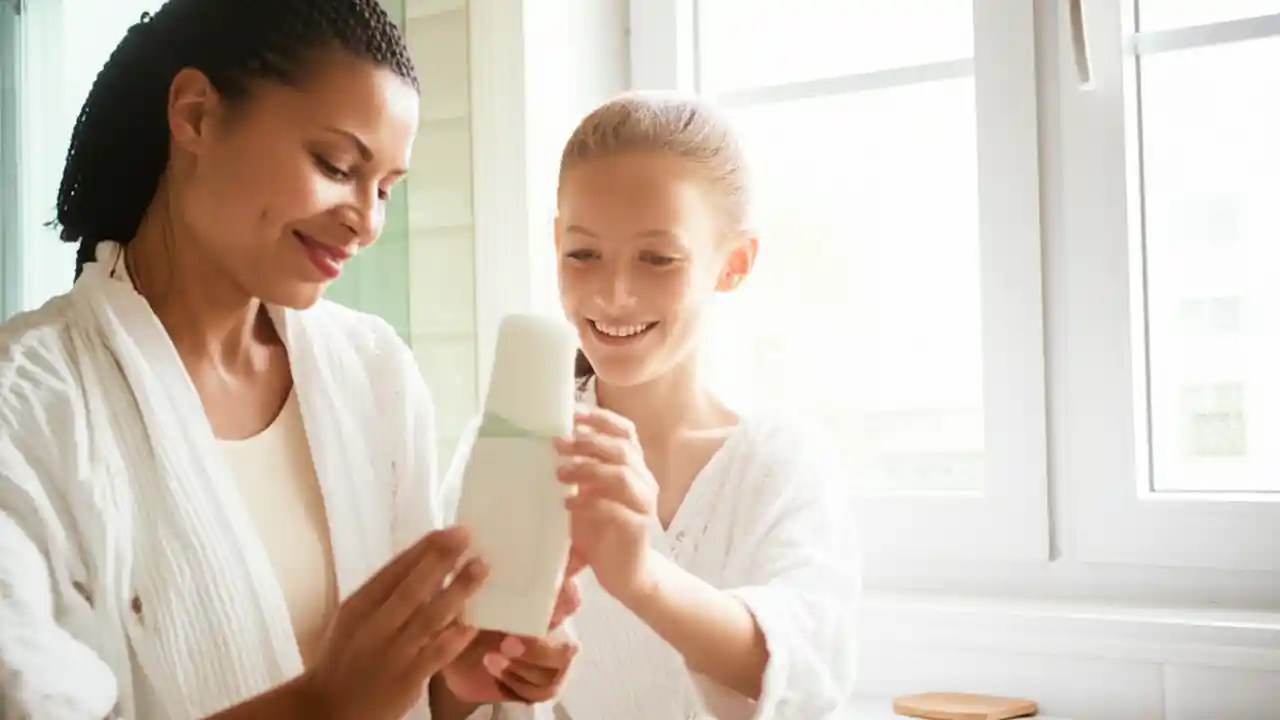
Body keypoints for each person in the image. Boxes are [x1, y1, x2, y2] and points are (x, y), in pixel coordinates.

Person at [0, 2, 577, 718]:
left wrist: (453, 672)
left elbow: (413, 701)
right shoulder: (26, 406)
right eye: (336, 165)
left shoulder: (373, 373)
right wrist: (323, 702)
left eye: (388, 188)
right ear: (197, 116)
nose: (366, 221)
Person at [544, 94, 860, 718]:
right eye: (583, 253)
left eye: (657, 258)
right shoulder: (515, 445)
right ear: (556, 242)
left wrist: (640, 577)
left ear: (734, 264)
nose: (613, 294)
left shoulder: (781, 462)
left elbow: (812, 669)